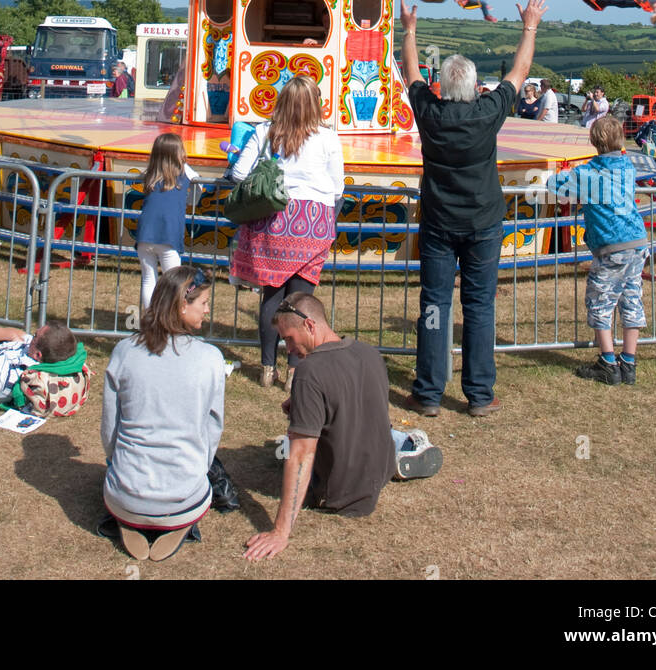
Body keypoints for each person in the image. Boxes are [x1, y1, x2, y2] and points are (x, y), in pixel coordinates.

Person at [400, 0, 547, 417]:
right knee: (479, 306)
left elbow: (410, 73)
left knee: (434, 302)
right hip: (483, 222)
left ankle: (428, 392)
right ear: (473, 86)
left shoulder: (429, 113)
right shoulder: (489, 111)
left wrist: (410, 31)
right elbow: (520, 70)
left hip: (439, 223)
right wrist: (529, 25)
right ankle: (480, 394)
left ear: (442, 86)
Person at [243, 294, 442, 561]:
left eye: (289, 338)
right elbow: (355, 402)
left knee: (286, 449)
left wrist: (280, 531)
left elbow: (302, 455)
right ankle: (405, 448)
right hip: (377, 476)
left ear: (310, 326)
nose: (288, 348)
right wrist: (304, 403)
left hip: (339, 495)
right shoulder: (368, 352)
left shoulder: (309, 372)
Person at [99, 266, 225, 562]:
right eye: (204, 303)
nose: (207, 311)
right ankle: (174, 521)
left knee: (125, 483)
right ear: (183, 305)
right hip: (185, 493)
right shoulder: (210, 359)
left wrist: (116, 461)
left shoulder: (124, 351)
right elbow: (213, 429)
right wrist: (198, 468)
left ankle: (131, 516)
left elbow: (109, 429)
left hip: (124, 492)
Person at [229, 75, 344, 390]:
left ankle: (267, 367)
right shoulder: (327, 137)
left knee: (271, 295)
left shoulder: (265, 133)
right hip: (313, 223)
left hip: (273, 221)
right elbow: (337, 188)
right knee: (301, 298)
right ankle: (295, 368)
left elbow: (238, 173)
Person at [547, 115, 647, 385]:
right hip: (636, 241)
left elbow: (553, 186)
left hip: (610, 245)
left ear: (593, 141)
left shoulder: (587, 174)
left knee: (600, 301)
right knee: (631, 299)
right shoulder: (627, 167)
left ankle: (607, 361)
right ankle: (629, 361)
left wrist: (568, 172)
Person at [135, 132, 199, 311]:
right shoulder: (184, 171)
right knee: (175, 282)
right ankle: (170, 319)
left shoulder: (150, 173)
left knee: (149, 278)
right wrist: (191, 200)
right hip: (168, 235)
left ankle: (149, 317)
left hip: (145, 234)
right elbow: (199, 184)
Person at [0, 319, 81, 406]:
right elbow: (19, 334)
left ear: (37, 355)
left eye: (35, 336)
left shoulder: (5, 377)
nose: (32, 336)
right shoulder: (36, 352)